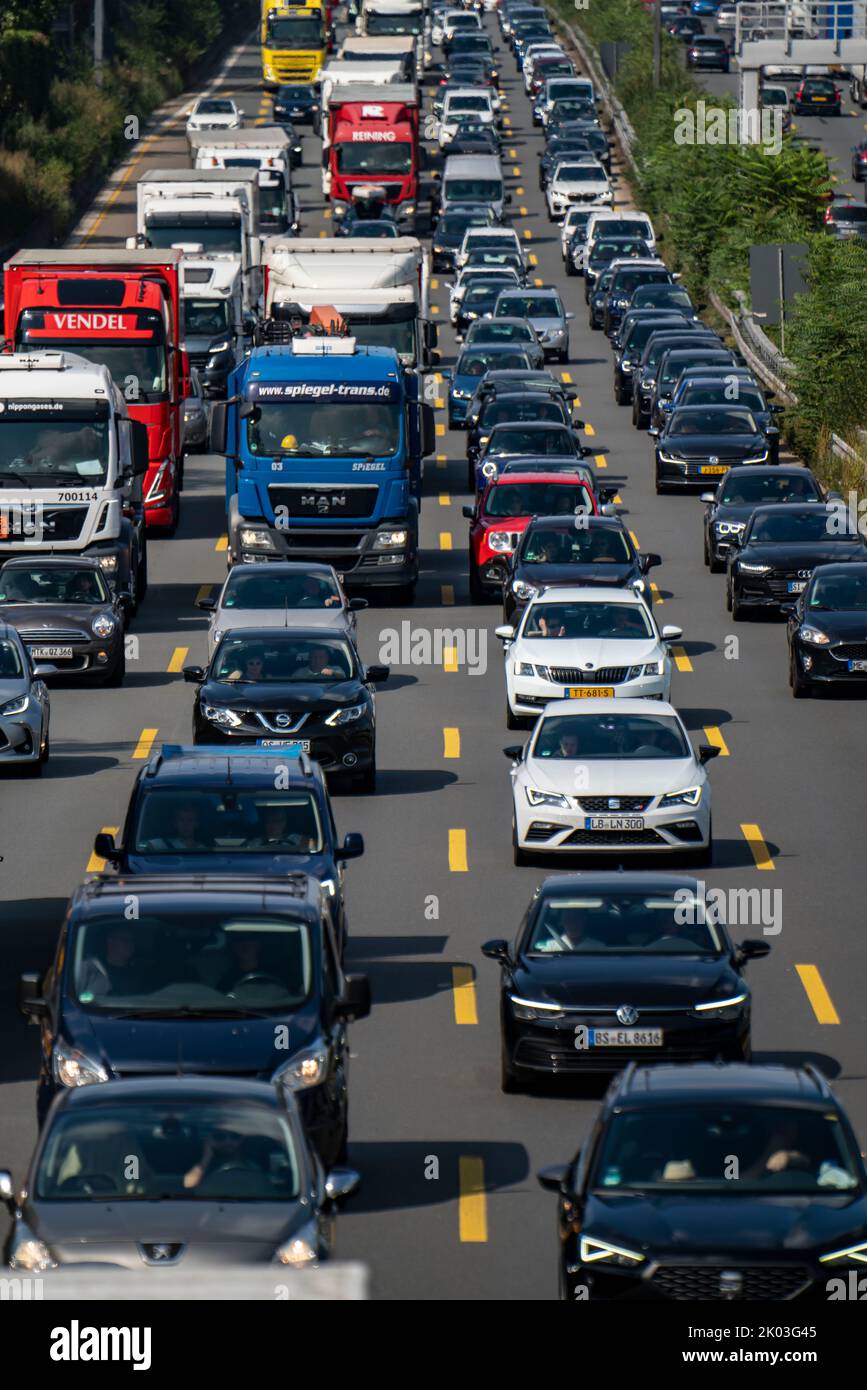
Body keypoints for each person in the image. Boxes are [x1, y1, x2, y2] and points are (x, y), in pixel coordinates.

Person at [79, 924, 146, 997]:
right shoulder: (89, 969)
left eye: (132, 941)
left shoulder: (139, 973)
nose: (130, 944)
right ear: (110, 941)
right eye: (125, 940)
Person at [244, 805, 315, 851]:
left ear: (284, 822)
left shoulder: (298, 839)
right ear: (265, 823)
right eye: (269, 821)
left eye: (276, 821)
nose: (273, 825)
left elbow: (314, 850)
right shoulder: (255, 843)